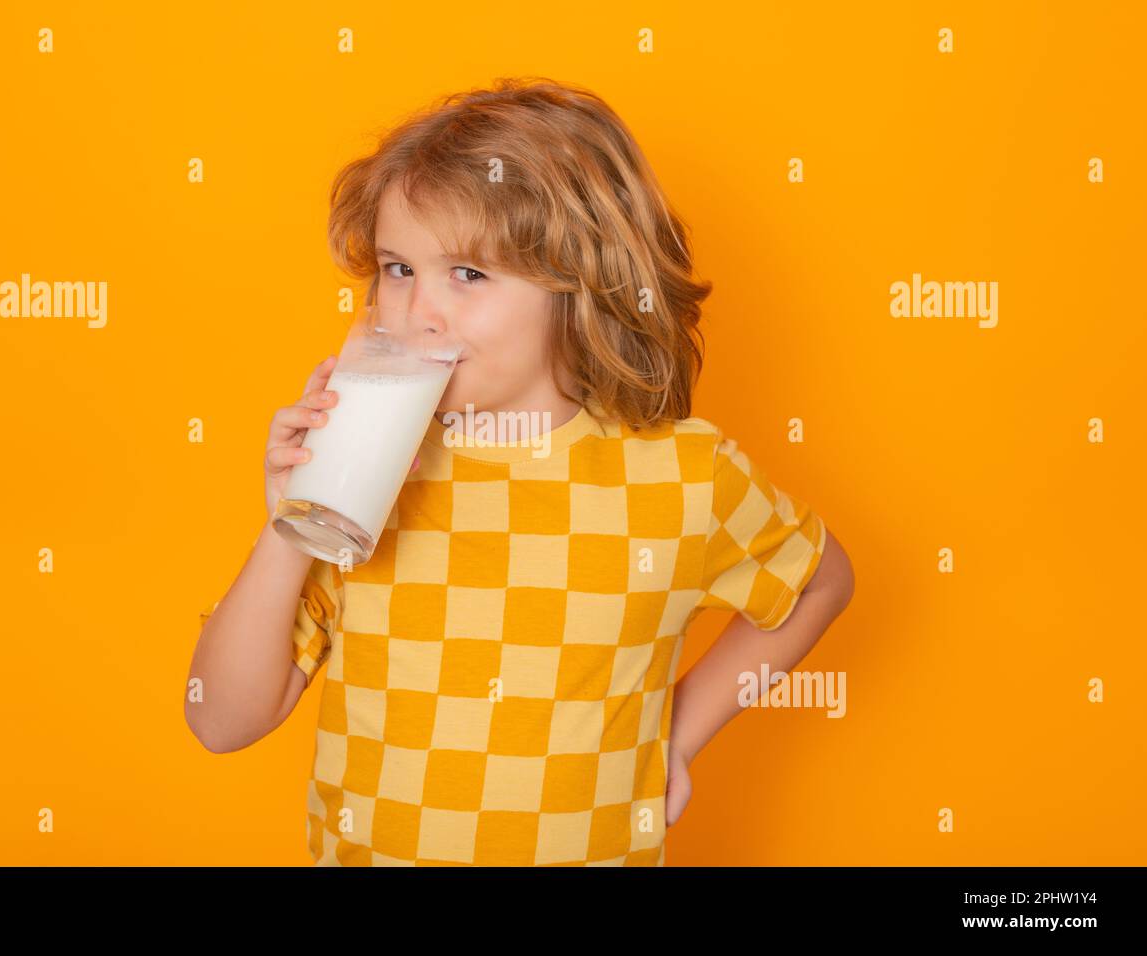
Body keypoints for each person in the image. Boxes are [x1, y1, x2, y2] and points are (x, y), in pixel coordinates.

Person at [185, 76, 855, 866]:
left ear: (583, 288)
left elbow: (820, 580)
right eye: (399, 269)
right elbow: (221, 722)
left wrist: (677, 731)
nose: (416, 312)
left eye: (467, 274)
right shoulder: (369, 481)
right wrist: (291, 521)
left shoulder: (683, 478)